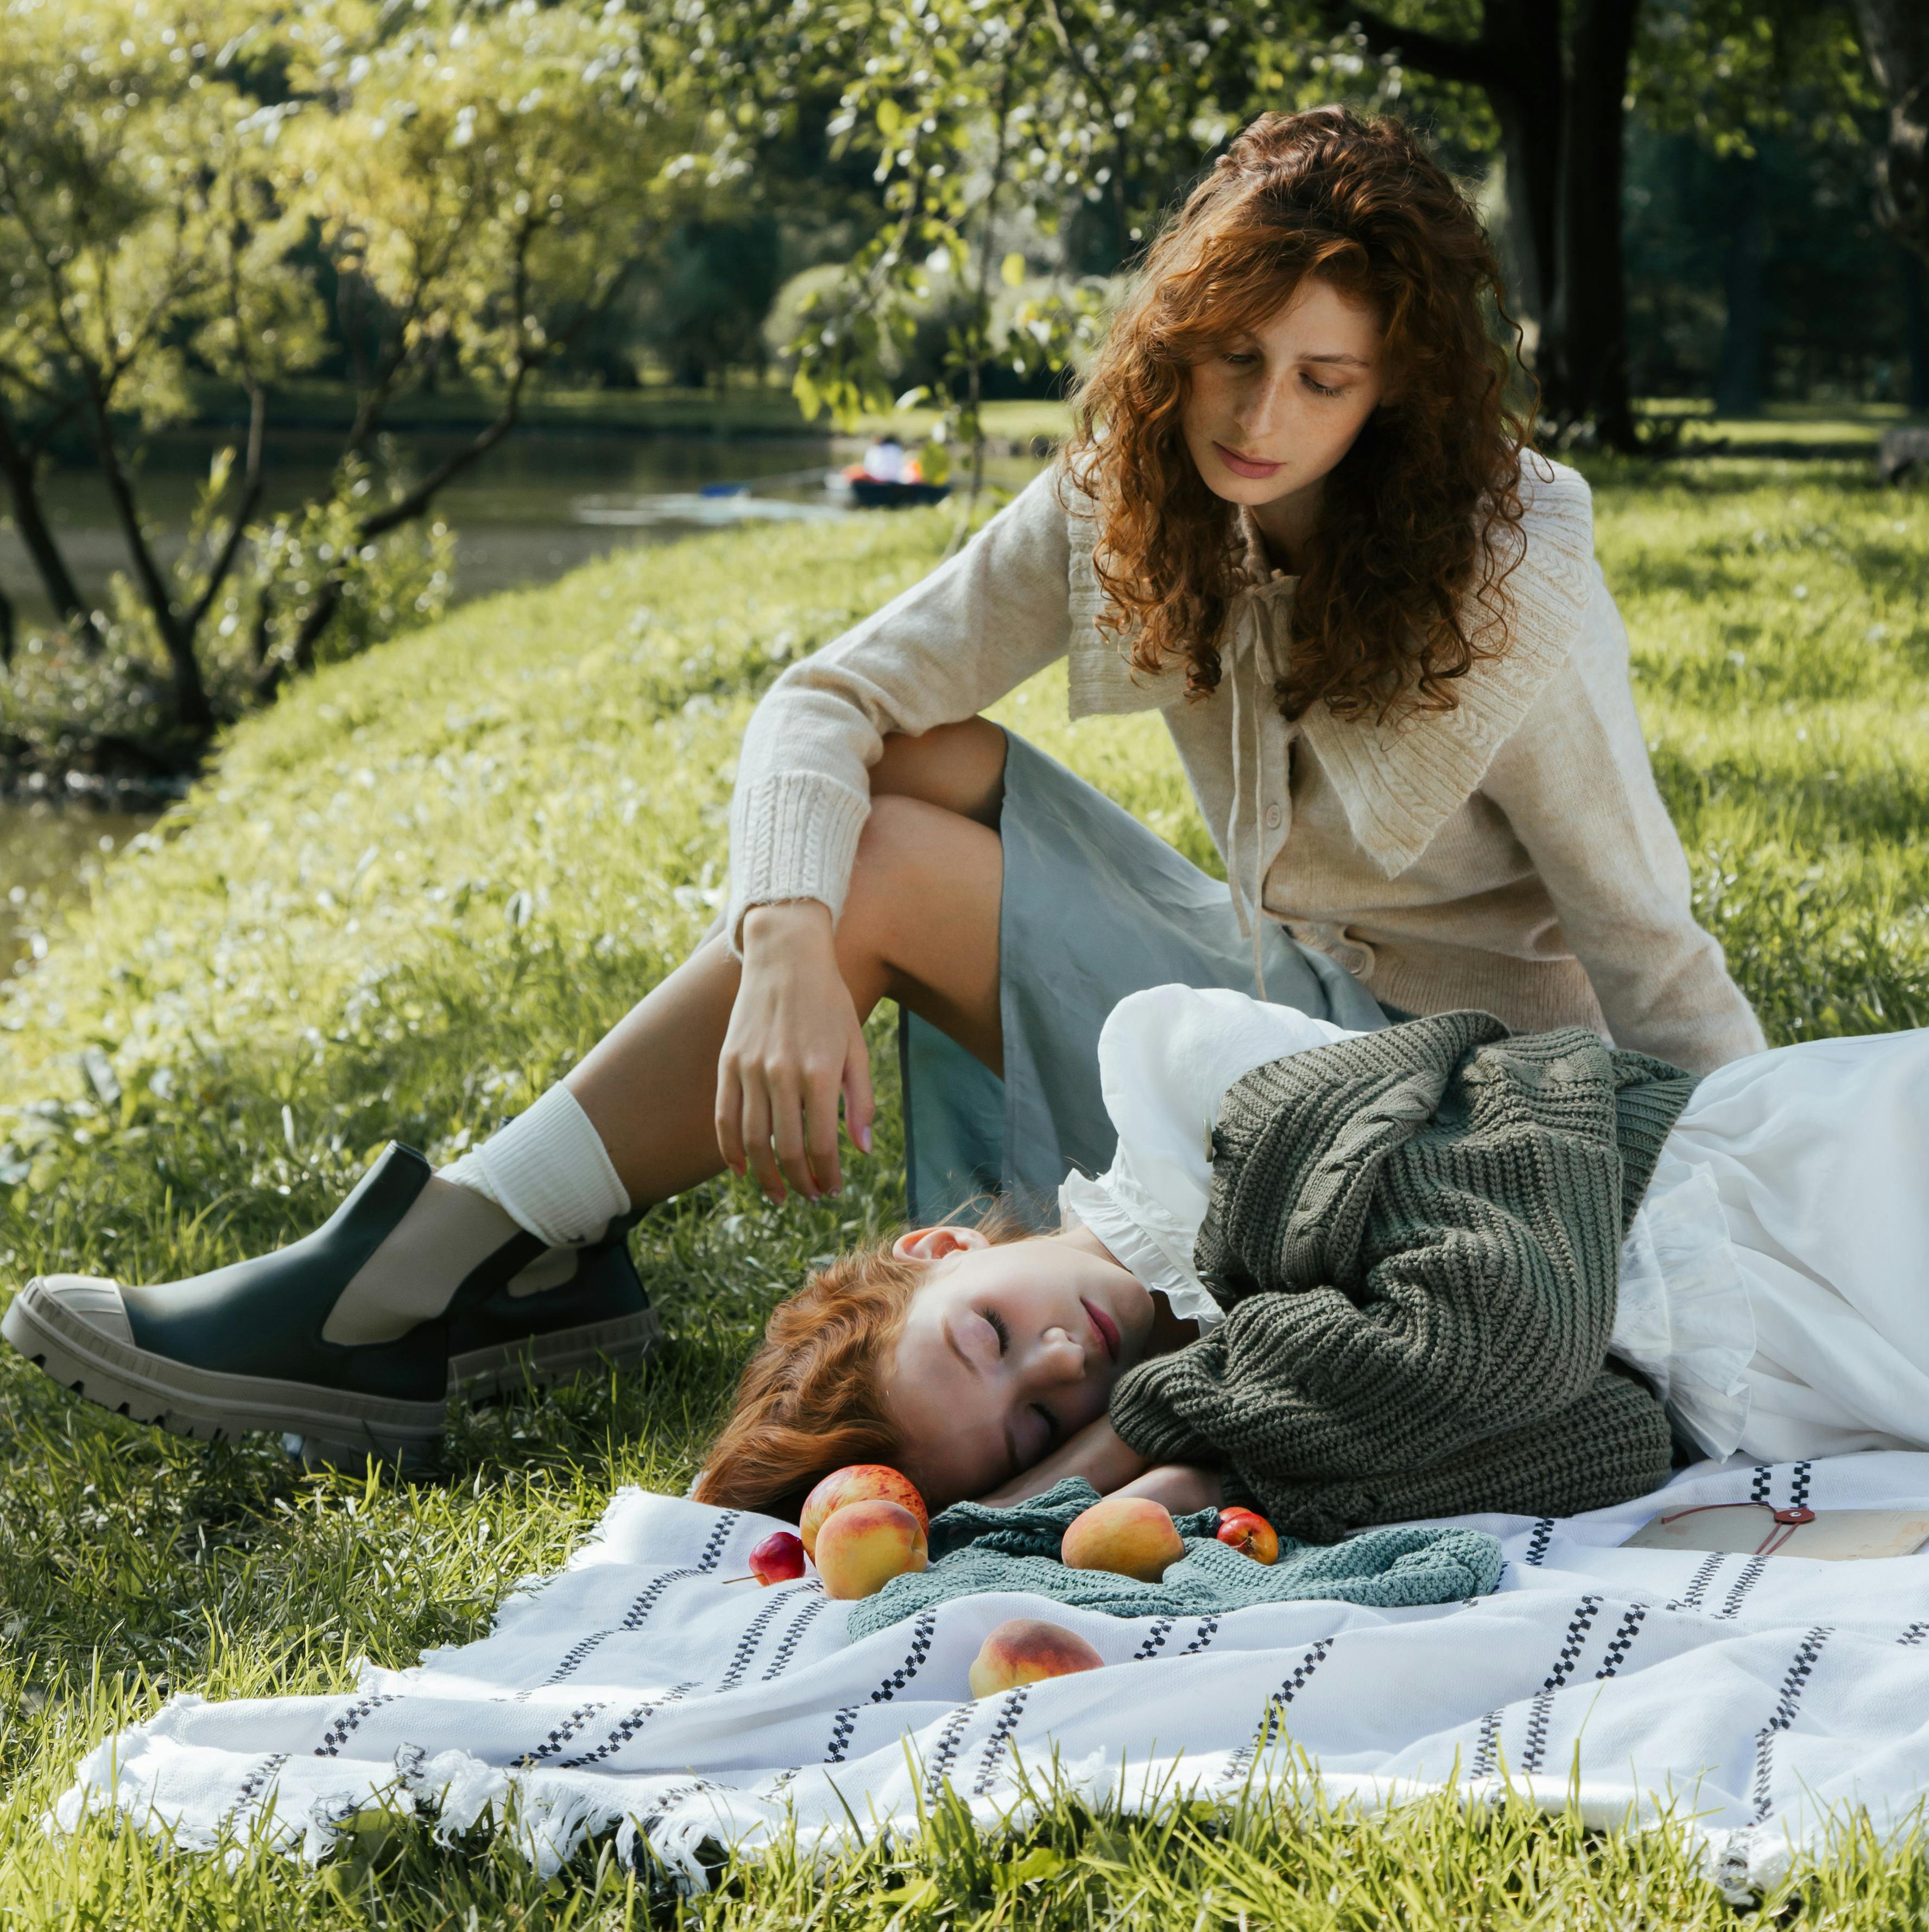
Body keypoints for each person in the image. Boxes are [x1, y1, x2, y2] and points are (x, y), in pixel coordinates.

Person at [0, 106, 1763, 1459]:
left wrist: (1752, 1234)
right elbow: (827, 699)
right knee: (912, 761)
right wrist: (782, 942)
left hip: (1432, 1124)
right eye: (1233, 355)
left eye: (1322, 379)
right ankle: (491, 1252)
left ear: (1396, 390)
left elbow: (1647, 947)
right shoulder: (1140, 490)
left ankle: (459, 1266)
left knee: (904, 857)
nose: (1258, 415)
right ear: (1182, 330)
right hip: (1256, 1015)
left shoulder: (1506, 578)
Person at [695, 987, 1929, 1537]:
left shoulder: (1203, 1104)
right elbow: (1603, 1439)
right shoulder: (1287, 1416)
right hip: (1838, 1378)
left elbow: (1498, 1330)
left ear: (941, 1247)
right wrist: (1202, 1473)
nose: (1063, 1363)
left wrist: (1110, 1450)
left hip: (1815, 1193)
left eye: (989, 1333)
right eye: (1035, 1426)